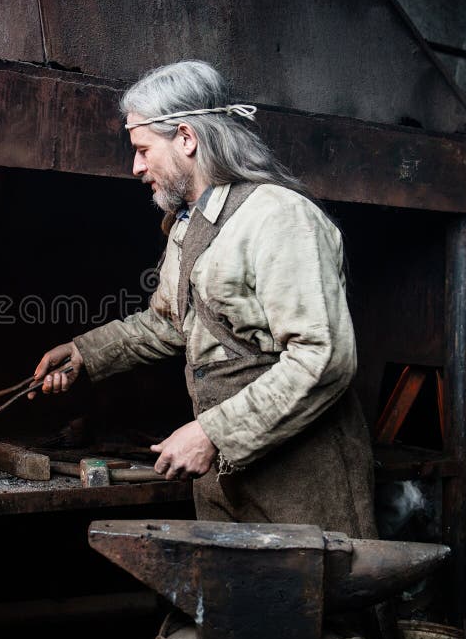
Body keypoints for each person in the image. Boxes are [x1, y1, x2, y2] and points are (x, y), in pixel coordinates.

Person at [31, 60, 375, 540]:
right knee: (231, 607)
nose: (136, 166)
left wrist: (212, 433)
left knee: (320, 610)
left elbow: (325, 357)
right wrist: (85, 353)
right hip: (223, 479)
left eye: (143, 149)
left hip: (300, 476)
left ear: (187, 139)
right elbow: (171, 323)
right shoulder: (189, 225)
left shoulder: (279, 217)